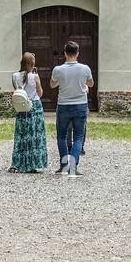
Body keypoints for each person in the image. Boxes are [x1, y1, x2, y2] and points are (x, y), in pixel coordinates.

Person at [50, 41, 93, 177]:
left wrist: (60, 81)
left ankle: (63, 166)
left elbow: (52, 85)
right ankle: (73, 167)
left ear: (65, 54)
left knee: (62, 136)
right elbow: (91, 83)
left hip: (63, 106)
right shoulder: (85, 68)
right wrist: (84, 87)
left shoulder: (58, 69)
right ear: (77, 53)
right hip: (80, 105)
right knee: (78, 137)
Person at [10, 52, 49, 173]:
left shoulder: (14, 76)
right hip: (34, 106)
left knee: (21, 136)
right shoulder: (35, 76)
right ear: (32, 64)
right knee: (34, 136)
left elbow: (17, 91)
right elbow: (40, 93)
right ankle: (33, 163)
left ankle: (18, 164)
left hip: (22, 107)